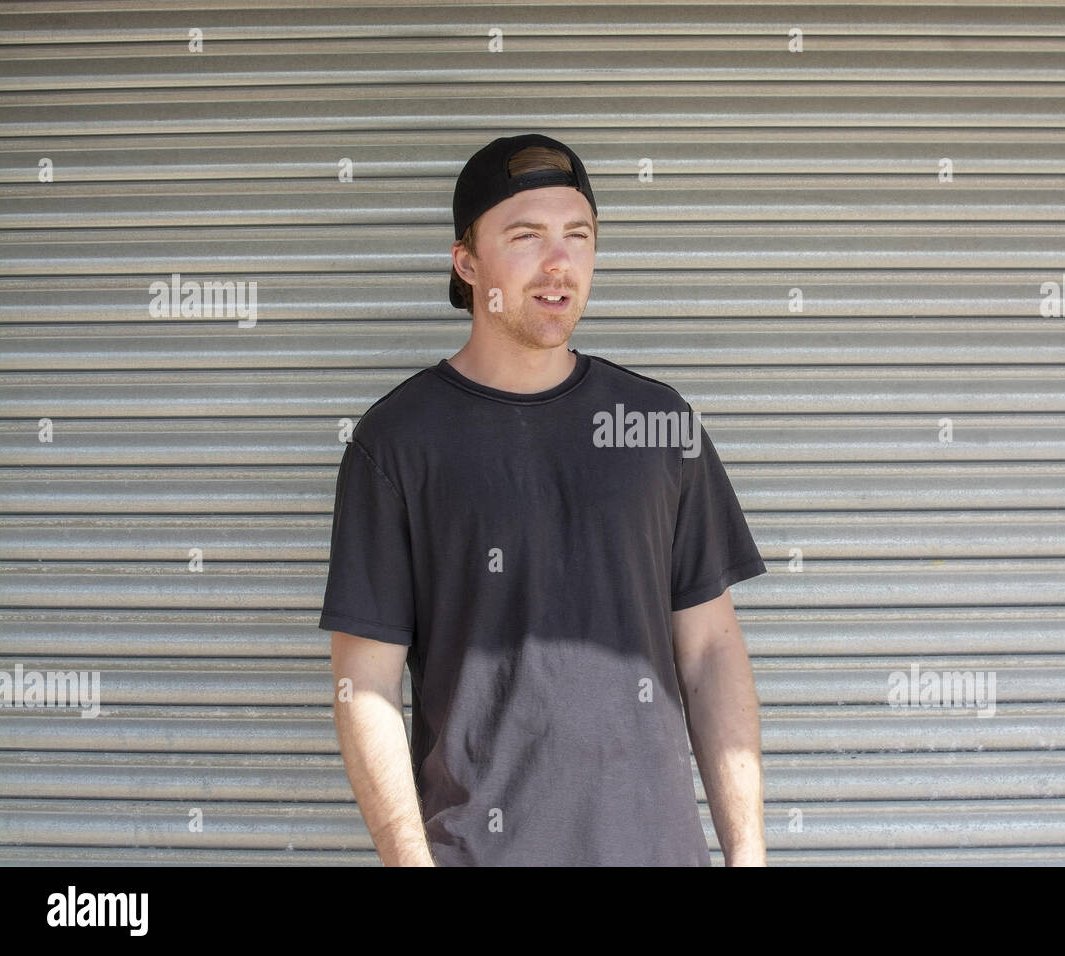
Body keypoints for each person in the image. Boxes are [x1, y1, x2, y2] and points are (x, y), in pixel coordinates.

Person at [319, 133, 768, 866]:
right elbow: (364, 685)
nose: (559, 261)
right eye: (526, 236)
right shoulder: (397, 442)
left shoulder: (658, 425)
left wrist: (748, 857)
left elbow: (713, 652)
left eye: (578, 236)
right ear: (467, 262)